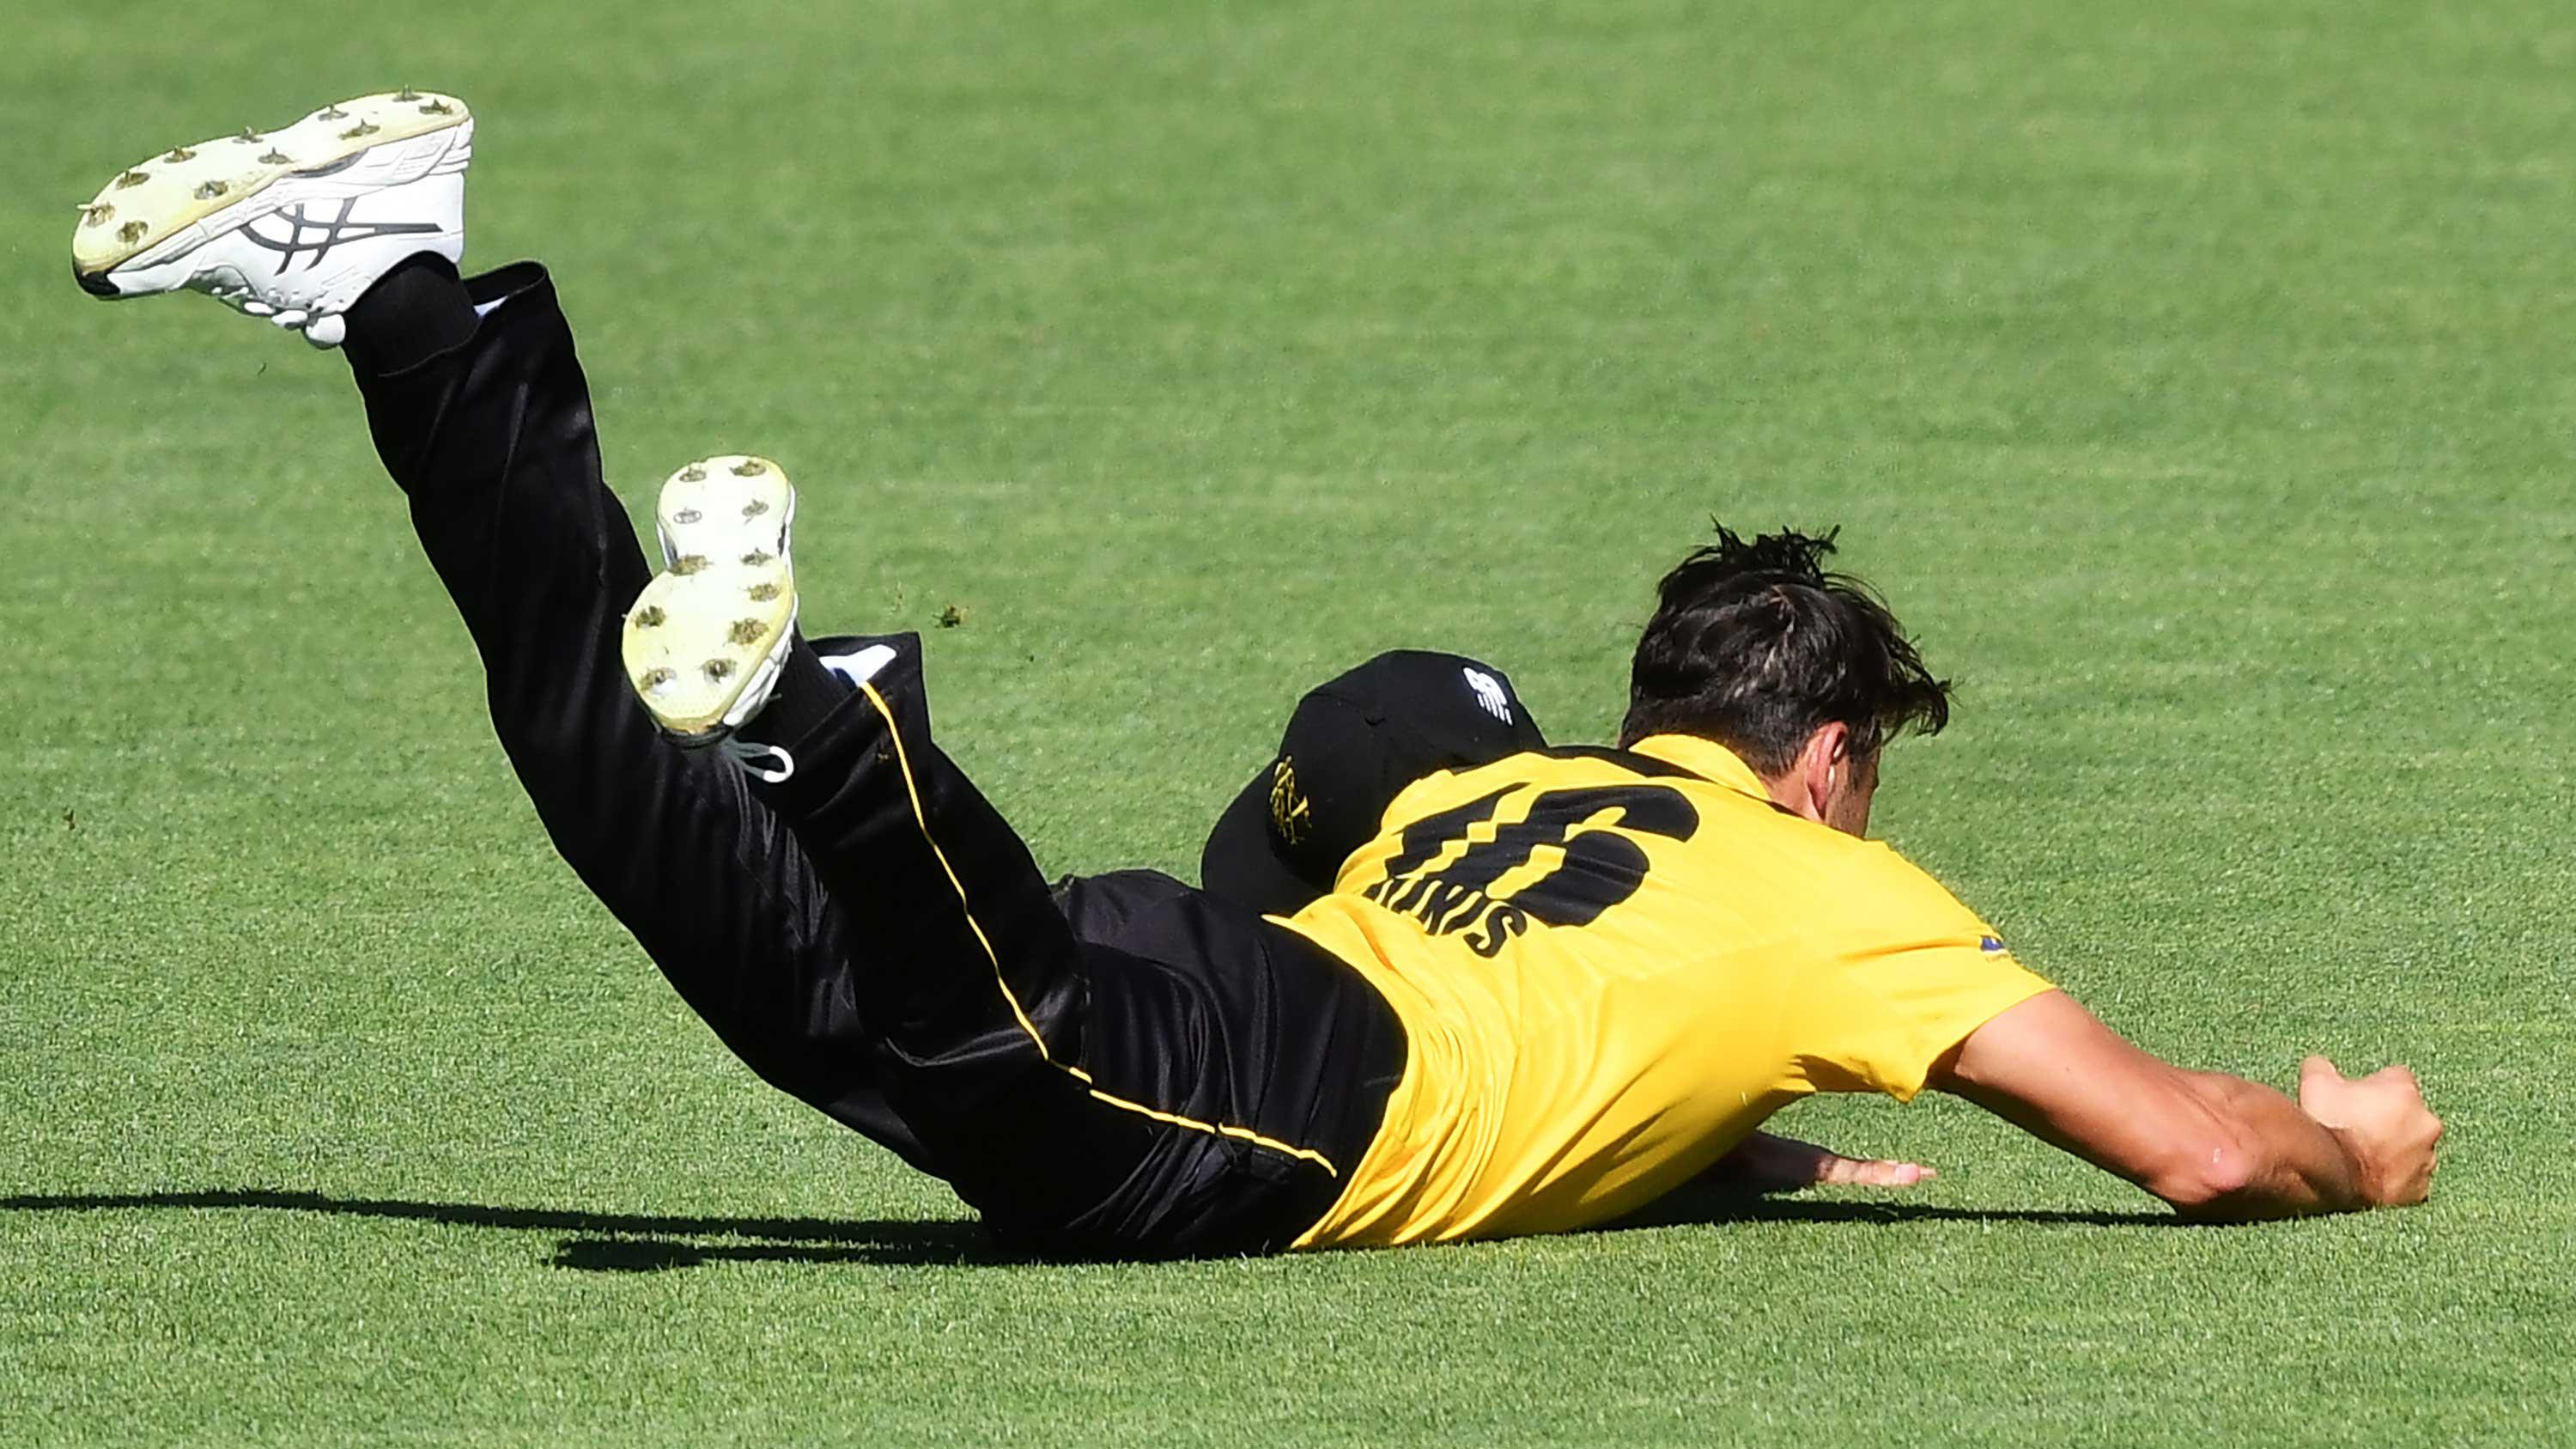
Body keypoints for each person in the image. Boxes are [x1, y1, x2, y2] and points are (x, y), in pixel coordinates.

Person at [73, 92, 2443, 1257]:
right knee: (1026, 1081)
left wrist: (1717, 1138)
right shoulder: (1841, 906)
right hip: (1254, 1076)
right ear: (1825, 760)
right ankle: (836, 704)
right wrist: (2356, 1141)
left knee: (616, 765)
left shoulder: (1477, 766)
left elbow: (1306, 787)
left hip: (1189, 947)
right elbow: (2197, 1152)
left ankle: (389, 281)